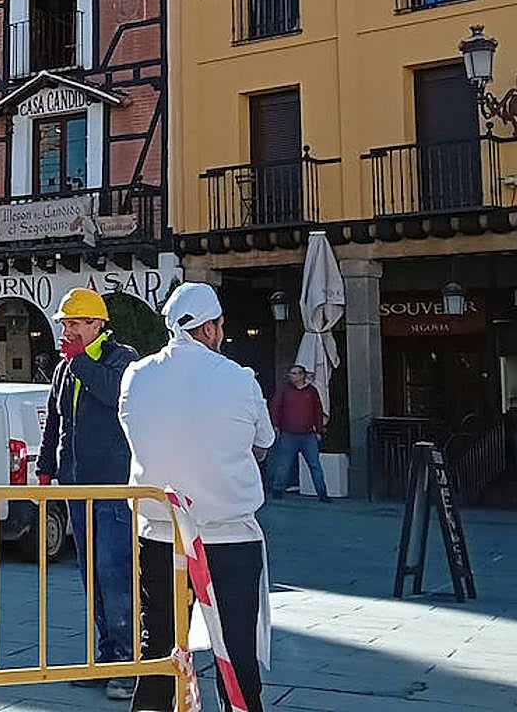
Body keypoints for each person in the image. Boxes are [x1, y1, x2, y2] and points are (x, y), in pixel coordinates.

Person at [118, 282, 274, 712]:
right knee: (237, 650)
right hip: (228, 533)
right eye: (220, 326)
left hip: (160, 533)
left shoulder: (137, 375)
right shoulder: (239, 379)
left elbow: (136, 435)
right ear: (209, 327)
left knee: (160, 650)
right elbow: (264, 441)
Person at [34, 287, 139, 698]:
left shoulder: (122, 360)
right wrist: (46, 467)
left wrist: (79, 361)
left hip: (113, 488)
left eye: (76, 323)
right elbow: (54, 420)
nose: (69, 330)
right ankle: (105, 657)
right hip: (77, 485)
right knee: (92, 574)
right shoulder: (66, 368)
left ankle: (128, 664)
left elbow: (115, 396)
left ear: (98, 325)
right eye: (65, 324)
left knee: (115, 573)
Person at [268, 365, 329, 500]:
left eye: (295, 373)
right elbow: (276, 407)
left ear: (303, 375)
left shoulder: (312, 391)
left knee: (315, 465)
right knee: (284, 464)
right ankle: (277, 491)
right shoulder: (285, 391)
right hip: (289, 433)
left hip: (308, 434)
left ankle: (322, 493)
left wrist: (319, 430)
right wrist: (276, 425)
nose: (292, 376)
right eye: (291, 373)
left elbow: (317, 411)